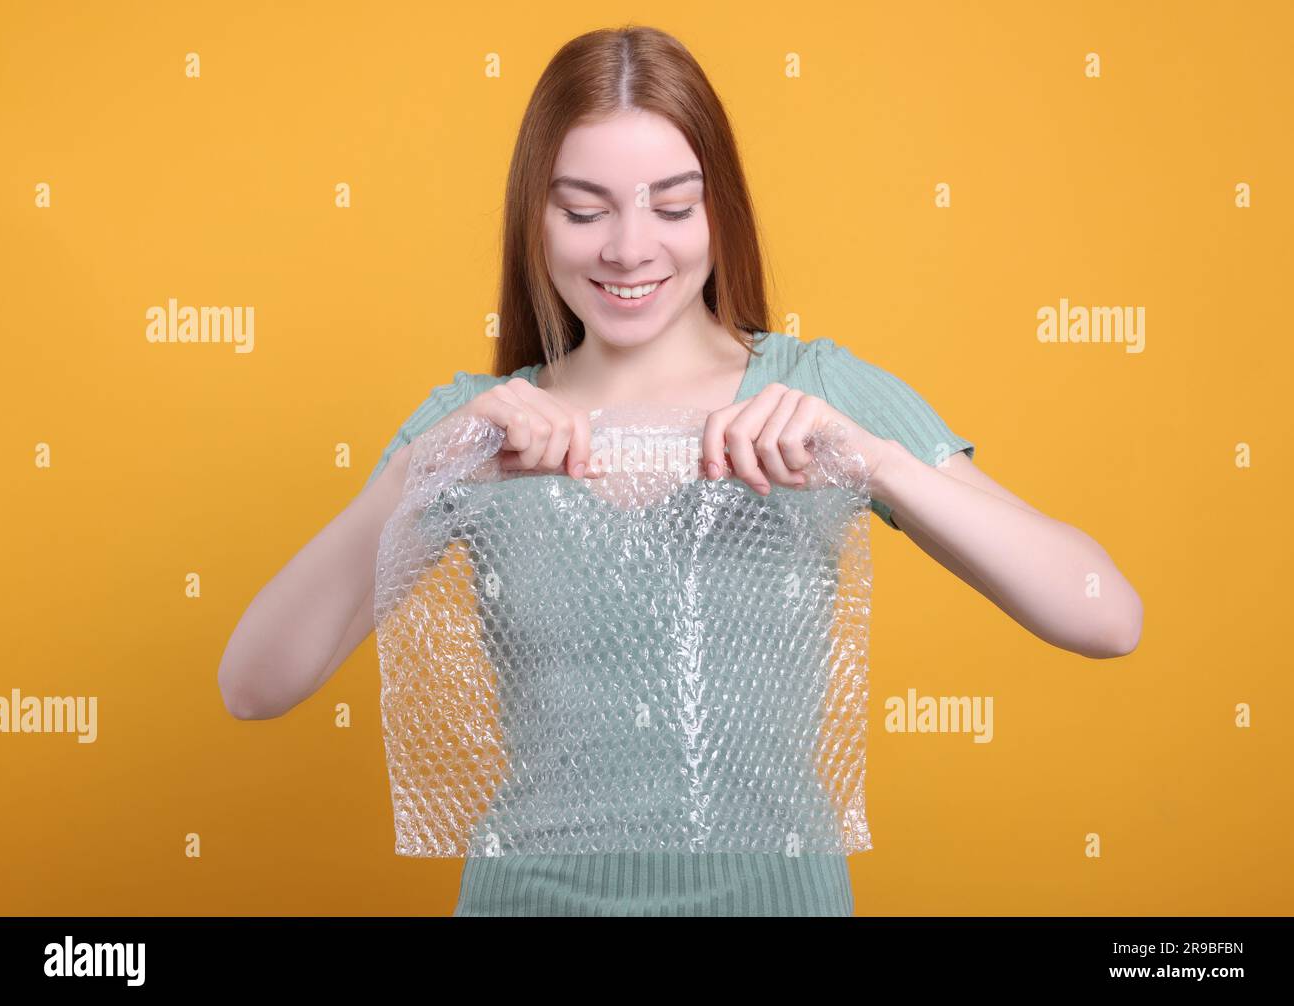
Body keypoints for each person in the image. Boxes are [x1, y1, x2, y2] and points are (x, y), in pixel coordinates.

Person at [218, 25, 1143, 917]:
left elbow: (1105, 614)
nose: (629, 248)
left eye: (671, 206)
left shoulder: (815, 391)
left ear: (718, 210)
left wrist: (874, 463)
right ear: (534, 217)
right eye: (584, 210)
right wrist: (426, 467)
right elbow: (253, 685)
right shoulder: (479, 429)